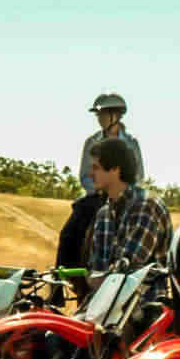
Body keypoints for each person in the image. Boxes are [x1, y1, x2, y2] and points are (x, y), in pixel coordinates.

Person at [56, 92, 143, 272]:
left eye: (102, 114)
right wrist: (99, 190)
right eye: (98, 115)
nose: (99, 119)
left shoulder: (132, 143)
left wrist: (119, 192)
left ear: (116, 115)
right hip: (95, 196)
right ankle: (59, 286)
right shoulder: (91, 142)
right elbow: (84, 175)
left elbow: (139, 175)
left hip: (125, 199)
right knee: (67, 234)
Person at [85, 135, 171, 276]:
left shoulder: (146, 207)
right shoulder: (104, 214)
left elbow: (126, 272)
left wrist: (96, 280)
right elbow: (96, 270)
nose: (90, 174)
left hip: (143, 298)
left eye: (96, 168)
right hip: (106, 297)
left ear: (115, 169)